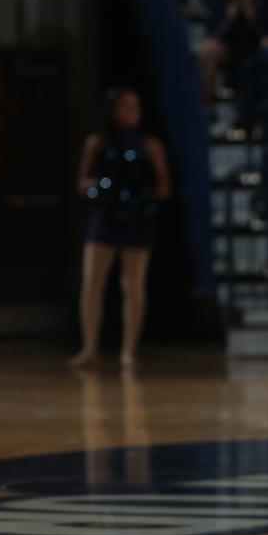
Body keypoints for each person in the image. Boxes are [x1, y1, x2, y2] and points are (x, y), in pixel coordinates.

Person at [69, 89, 171, 371]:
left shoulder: (150, 145)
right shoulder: (97, 143)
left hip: (137, 220)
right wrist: (103, 188)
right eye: (126, 105)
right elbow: (82, 183)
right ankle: (90, 347)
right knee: (92, 284)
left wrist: (141, 194)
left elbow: (164, 187)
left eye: (136, 105)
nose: (133, 110)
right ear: (113, 110)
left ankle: (129, 350)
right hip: (105, 218)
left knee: (134, 286)